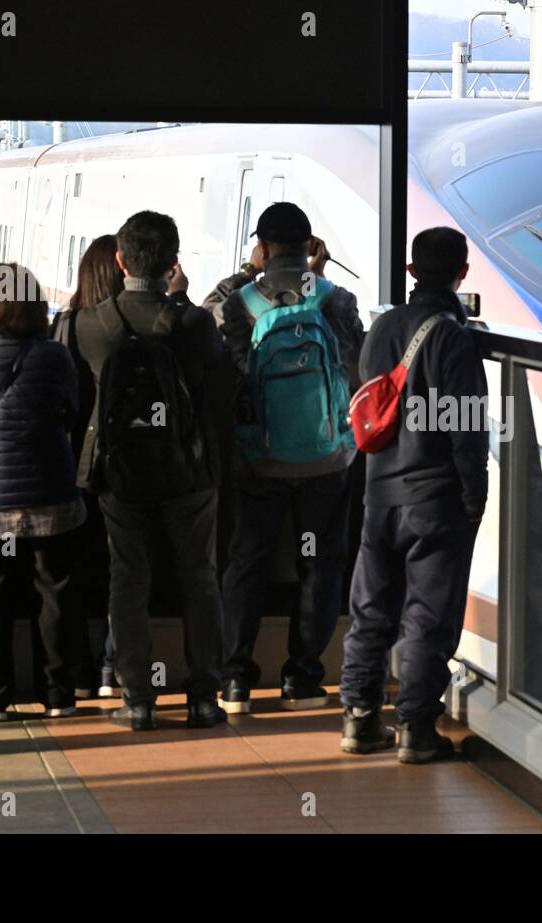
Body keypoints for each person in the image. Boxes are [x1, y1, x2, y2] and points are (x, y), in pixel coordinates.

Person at [73, 210, 228, 731]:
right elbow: (215, 384)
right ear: (173, 262)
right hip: (189, 472)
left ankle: (138, 698)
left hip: (119, 472)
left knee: (127, 578)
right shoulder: (195, 323)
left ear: (119, 262)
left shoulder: (89, 325)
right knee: (199, 579)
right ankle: (204, 697)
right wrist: (181, 298)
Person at [339, 227, 488, 764]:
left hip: (379, 492)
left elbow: (367, 399)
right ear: (462, 273)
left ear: (409, 272)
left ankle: (358, 719)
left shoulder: (381, 328)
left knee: (372, 608)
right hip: (435, 498)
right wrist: (476, 496)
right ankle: (416, 731)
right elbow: (466, 429)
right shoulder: (454, 339)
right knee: (427, 614)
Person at [211, 202, 364, 715]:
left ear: (265, 247)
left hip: (261, 456)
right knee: (320, 565)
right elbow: (353, 368)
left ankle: (234, 679)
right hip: (326, 459)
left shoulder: (241, 303)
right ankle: (302, 678)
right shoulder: (337, 299)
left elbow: (230, 369)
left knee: (247, 561)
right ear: (310, 244)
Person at [0, 263, 87, 722]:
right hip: (49, 493)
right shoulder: (55, 356)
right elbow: (70, 410)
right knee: (53, 593)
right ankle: (58, 694)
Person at [51, 235, 123, 700]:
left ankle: (76, 672)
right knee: (124, 570)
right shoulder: (128, 328)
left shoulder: (64, 324)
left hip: (71, 468)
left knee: (69, 574)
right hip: (124, 468)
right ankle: (111, 670)